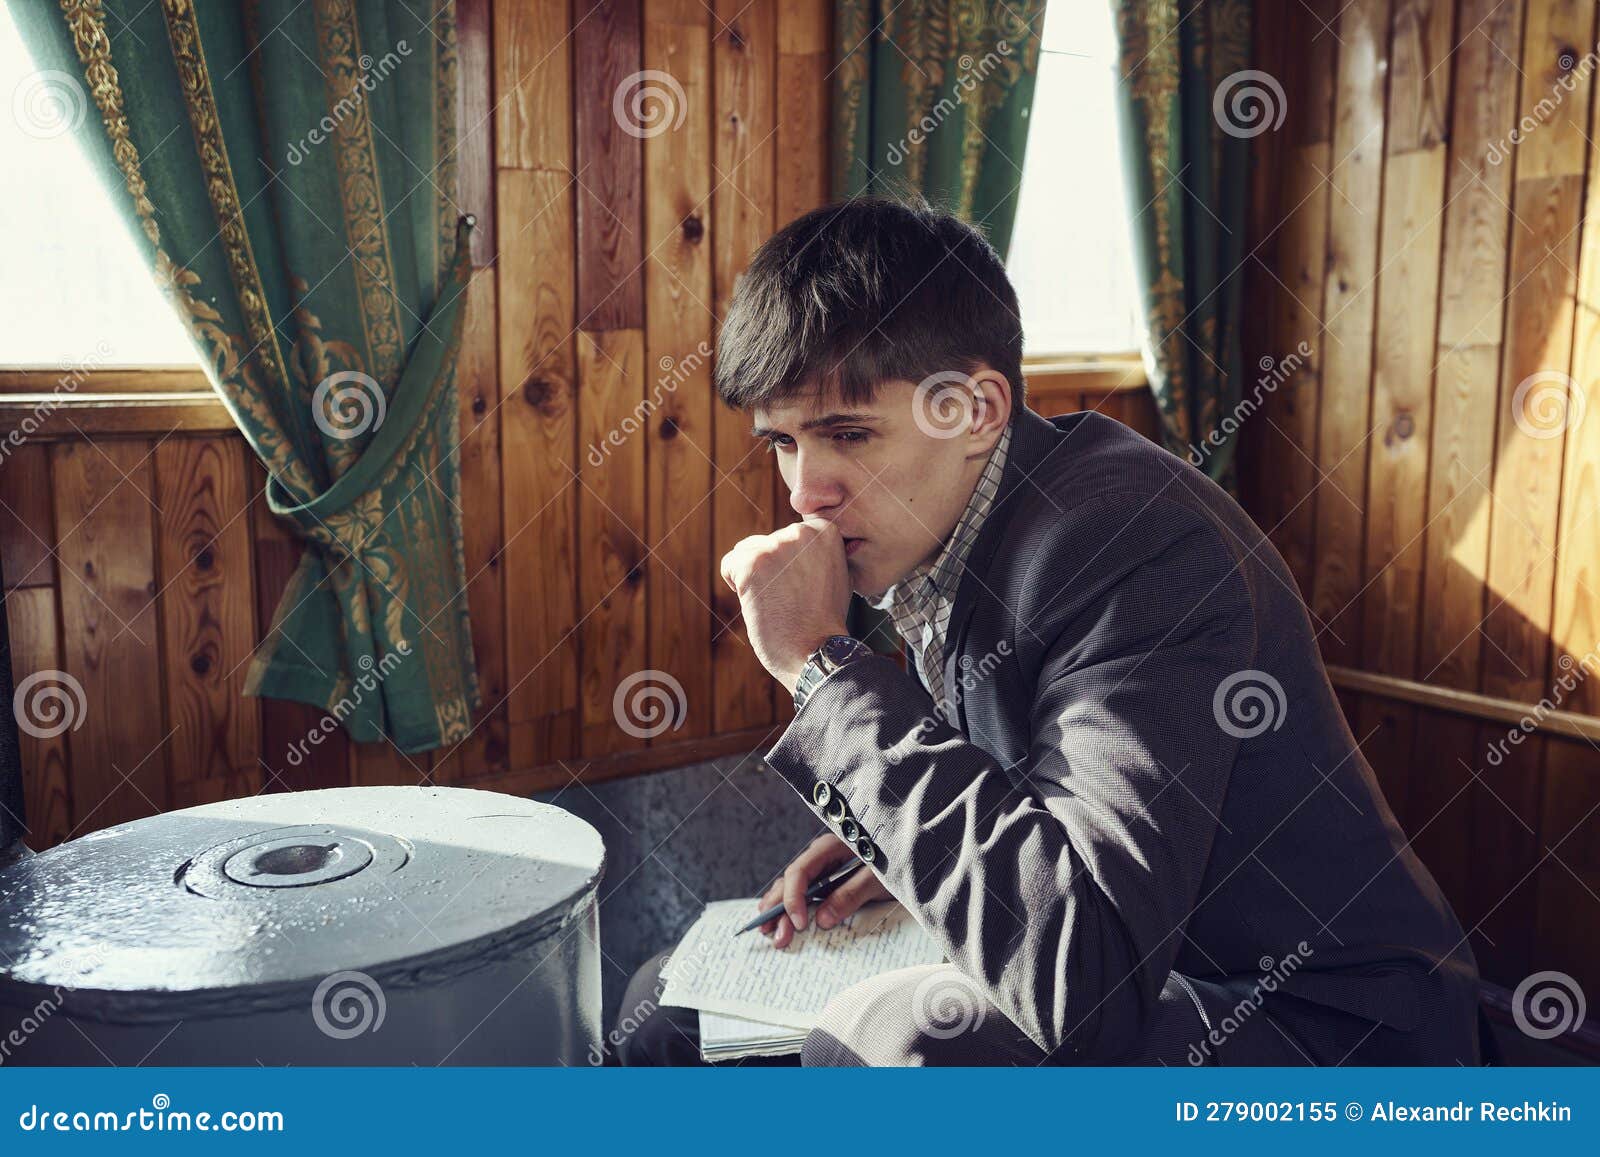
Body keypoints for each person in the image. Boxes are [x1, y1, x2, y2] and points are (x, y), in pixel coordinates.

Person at [613, 196, 1481, 1067]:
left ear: (977, 409)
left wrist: (821, 665)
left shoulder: (1133, 541)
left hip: (1331, 1028)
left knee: (902, 1035)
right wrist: (900, 847)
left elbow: (1086, 977)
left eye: (848, 433)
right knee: (667, 1006)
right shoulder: (949, 524)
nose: (806, 490)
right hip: (1148, 966)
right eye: (782, 442)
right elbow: (1057, 796)